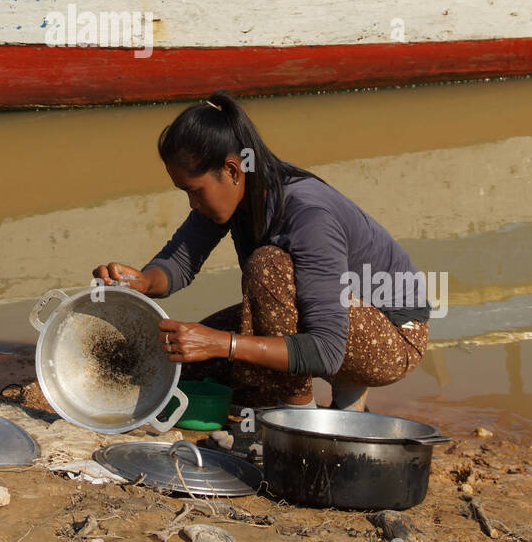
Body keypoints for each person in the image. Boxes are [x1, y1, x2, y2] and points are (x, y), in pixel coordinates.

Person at [93, 91, 430, 412]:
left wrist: (222, 343)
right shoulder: (242, 190)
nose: (192, 204)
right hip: (321, 313)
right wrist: (142, 281)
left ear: (231, 170)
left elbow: (327, 349)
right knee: (182, 363)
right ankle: (285, 401)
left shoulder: (309, 216)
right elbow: (180, 261)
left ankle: (300, 415)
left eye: (195, 192)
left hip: (390, 338)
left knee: (267, 267)